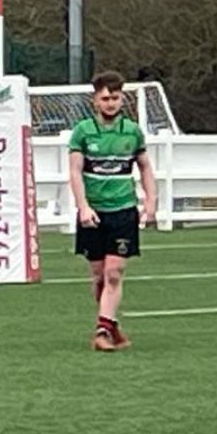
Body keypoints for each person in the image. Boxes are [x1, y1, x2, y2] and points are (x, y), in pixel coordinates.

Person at [67, 70, 157, 352]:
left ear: (122, 100)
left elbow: (144, 166)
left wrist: (150, 201)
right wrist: (83, 207)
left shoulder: (132, 131)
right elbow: (75, 170)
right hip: (94, 213)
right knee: (98, 276)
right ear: (95, 100)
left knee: (115, 272)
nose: (110, 103)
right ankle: (110, 323)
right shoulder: (82, 132)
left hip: (123, 211)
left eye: (115, 98)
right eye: (105, 98)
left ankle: (102, 331)